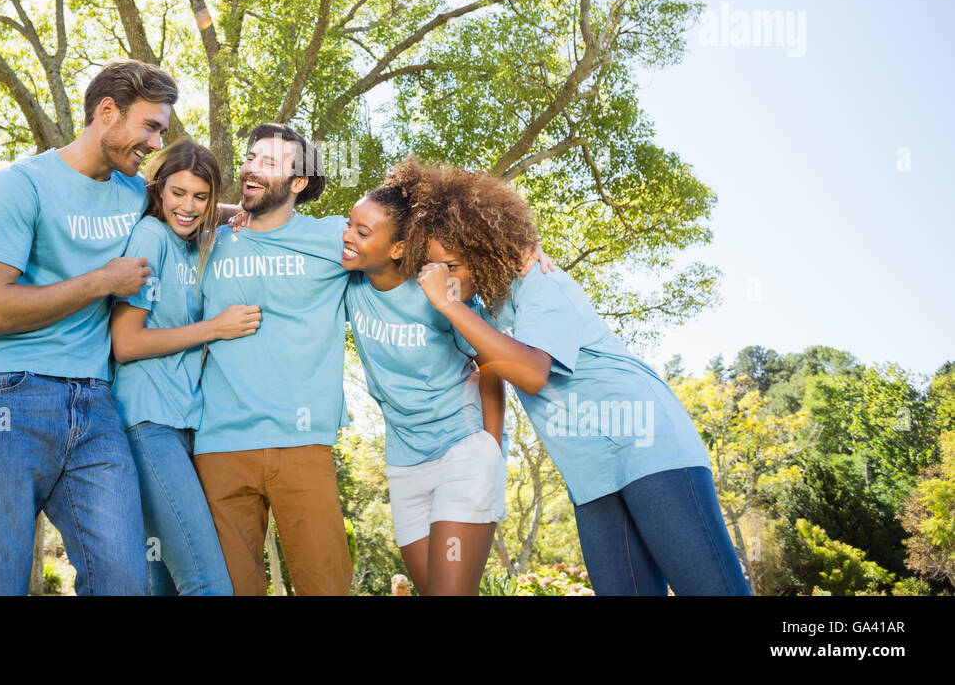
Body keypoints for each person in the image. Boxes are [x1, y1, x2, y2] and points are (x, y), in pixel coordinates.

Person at [406, 164, 752, 596]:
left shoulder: (542, 283)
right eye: (436, 268)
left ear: (485, 250)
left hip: (647, 442)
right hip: (589, 472)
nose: (446, 279)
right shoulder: (478, 309)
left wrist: (448, 305)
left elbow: (532, 372)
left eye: (454, 265)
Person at [0, 58, 177, 596]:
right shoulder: (17, 184)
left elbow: (190, 208)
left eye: (161, 132)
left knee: (125, 580)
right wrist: (103, 280)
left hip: (97, 406)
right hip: (8, 393)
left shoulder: (132, 193)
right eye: (150, 127)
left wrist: (247, 213)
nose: (154, 142)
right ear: (107, 111)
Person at [191, 123, 354, 595]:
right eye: (250, 157)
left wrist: (525, 248)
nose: (250, 168)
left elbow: (409, 236)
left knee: (325, 585)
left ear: (299, 181)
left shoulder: (334, 239)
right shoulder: (208, 239)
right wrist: (222, 212)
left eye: (268, 162)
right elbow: (155, 194)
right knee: (229, 588)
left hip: (302, 441)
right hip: (218, 443)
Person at [340, 162, 507, 595]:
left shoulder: (437, 289)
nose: (348, 236)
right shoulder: (349, 278)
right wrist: (234, 214)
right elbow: (284, 229)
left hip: (461, 450)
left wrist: (489, 442)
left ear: (397, 248)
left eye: (363, 232)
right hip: (404, 462)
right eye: (350, 225)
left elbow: (491, 361)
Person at [109, 139, 261, 595]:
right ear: (158, 192)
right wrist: (213, 328)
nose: (188, 207)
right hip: (146, 420)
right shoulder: (150, 238)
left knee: (166, 584)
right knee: (208, 580)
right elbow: (126, 342)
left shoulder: (196, 246)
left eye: (200, 197)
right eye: (177, 194)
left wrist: (242, 211)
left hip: (188, 421)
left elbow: (224, 213)